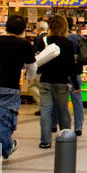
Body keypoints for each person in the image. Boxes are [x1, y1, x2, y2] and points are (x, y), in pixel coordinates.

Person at [0, 14, 36, 162]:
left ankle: (5, 148)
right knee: (5, 121)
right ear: (23, 29)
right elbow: (32, 67)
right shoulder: (24, 44)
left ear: (6, 26)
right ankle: (0, 151)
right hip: (11, 87)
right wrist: (29, 79)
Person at [36, 15, 76, 148]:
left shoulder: (43, 41)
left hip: (45, 80)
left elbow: (36, 60)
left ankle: (45, 140)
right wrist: (75, 84)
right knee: (63, 111)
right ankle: (66, 138)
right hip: (62, 82)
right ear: (65, 27)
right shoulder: (68, 43)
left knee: (45, 110)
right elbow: (71, 66)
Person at [67, 21, 87, 136]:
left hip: (63, 74)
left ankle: (56, 125)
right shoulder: (79, 38)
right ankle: (78, 127)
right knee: (77, 101)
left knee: (61, 101)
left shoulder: (64, 39)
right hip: (77, 72)